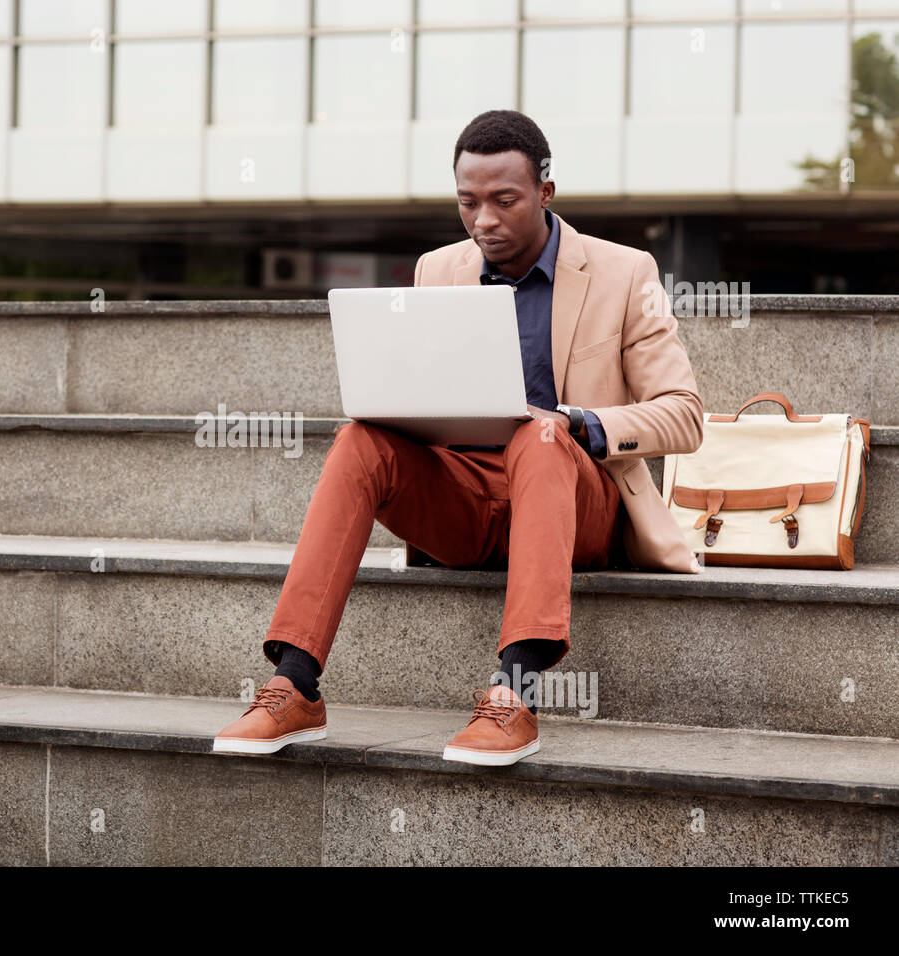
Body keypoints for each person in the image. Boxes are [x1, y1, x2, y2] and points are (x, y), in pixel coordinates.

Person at [213, 110, 704, 765]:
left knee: (542, 436)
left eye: (505, 201)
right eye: (468, 203)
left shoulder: (625, 273)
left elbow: (683, 414)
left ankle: (513, 695)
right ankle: (293, 685)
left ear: (545, 194)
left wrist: (579, 420)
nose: (485, 221)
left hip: (576, 500)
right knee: (361, 438)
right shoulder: (438, 269)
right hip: (468, 502)